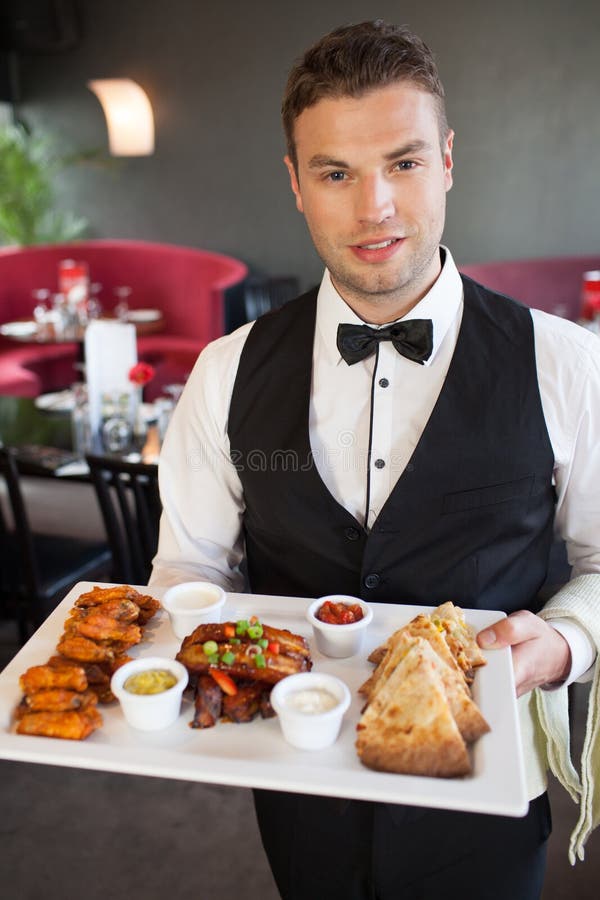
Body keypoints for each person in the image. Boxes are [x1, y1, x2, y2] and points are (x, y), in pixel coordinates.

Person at [150, 19, 600, 900]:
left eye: (402, 162)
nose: (375, 209)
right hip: (297, 787)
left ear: (447, 161)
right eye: (335, 173)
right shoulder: (224, 371)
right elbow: (191, 565)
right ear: (294, 184)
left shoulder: (566, 362)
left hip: (486, 795)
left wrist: (565, 642)